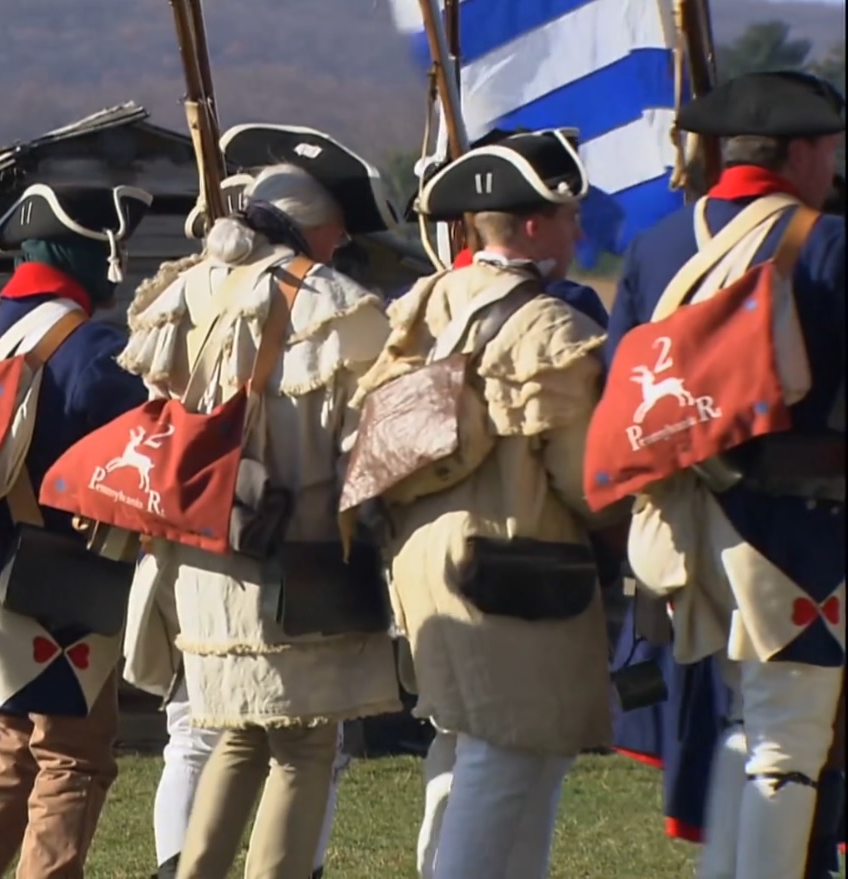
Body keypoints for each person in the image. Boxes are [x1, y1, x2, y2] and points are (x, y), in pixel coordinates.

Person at [119, 132, 404, 878]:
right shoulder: (330, 302)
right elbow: (374, 442)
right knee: (305, 745)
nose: (340, 244)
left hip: (199, 559)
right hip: (294, 562)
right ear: (310, 226)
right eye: (335, 230)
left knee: (240, 735)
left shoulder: (181, 292)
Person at [346, 129, 626, 879]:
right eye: (568, 217)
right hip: (516, 567)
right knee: (504, 762)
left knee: (513, 759)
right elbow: (588, 480)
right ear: (532, 224)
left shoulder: (422, 305)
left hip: (426, 560)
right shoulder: (553, 328)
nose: (577, 233)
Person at [603, 70, 845, 879]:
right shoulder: (828, 243)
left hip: (685, 526)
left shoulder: (658, 245)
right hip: (801, 536)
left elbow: (619, 389)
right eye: (827, 149)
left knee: (745, 726)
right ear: (799, 152)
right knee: (788, 744)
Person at [0, 181, 154, 879]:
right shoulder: (98, 352)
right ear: (88, 253)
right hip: (61, 583)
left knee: (16, 747)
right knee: (72, 758)